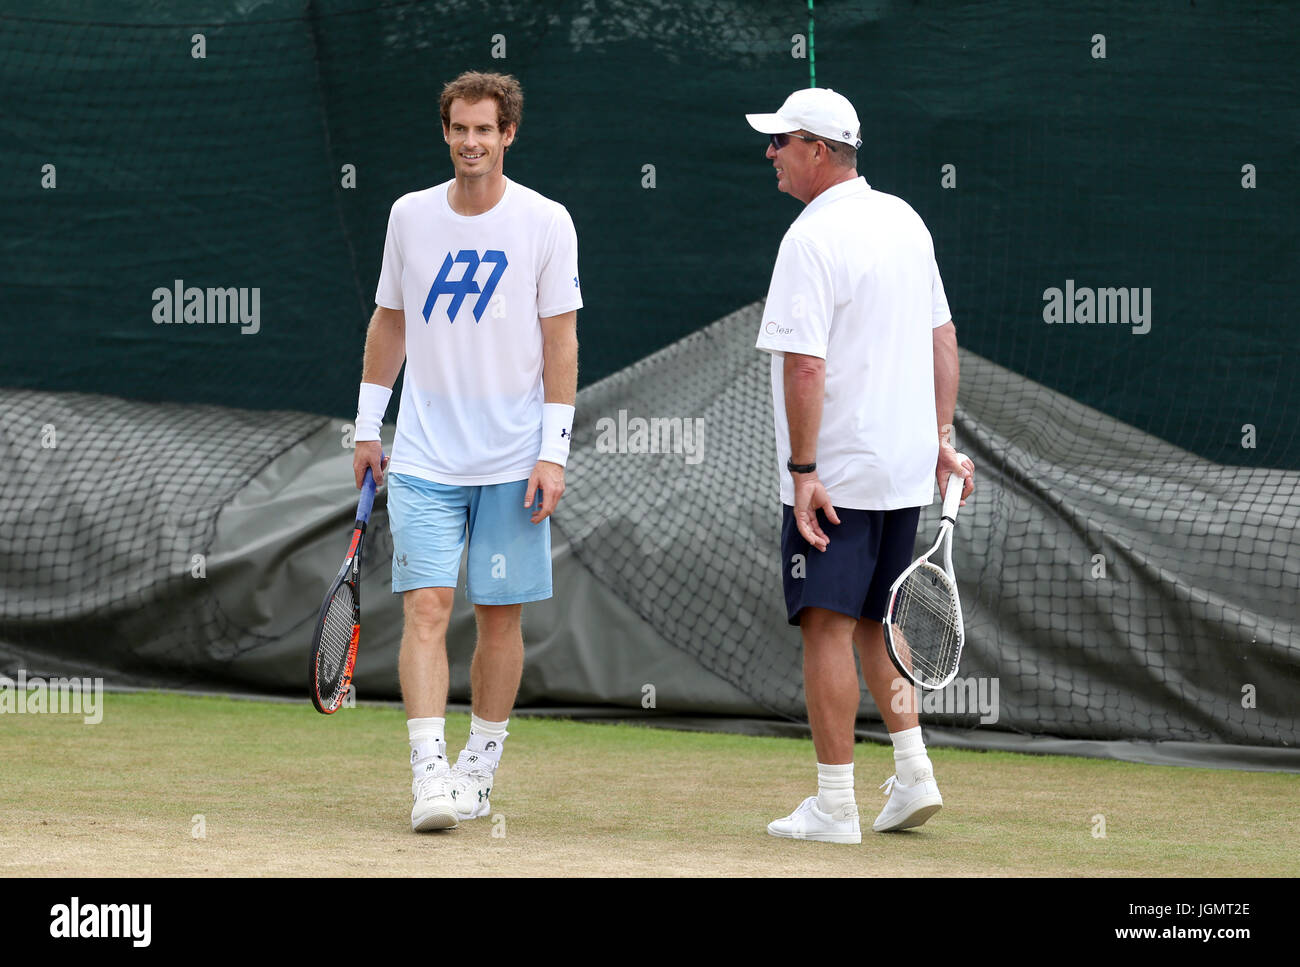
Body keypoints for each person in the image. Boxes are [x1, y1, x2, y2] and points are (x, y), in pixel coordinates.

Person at [352, 71, 581, 832]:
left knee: (499, 619)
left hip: (516, 463)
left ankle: (478, 768)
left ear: (508, 133)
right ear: (445, 132)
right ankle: (428, 774)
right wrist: (366, 426)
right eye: (460, 129)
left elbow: (561, 342)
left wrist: (554, 452)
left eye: (485, 129)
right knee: (425, 608)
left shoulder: (547, 221)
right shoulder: (409, 216)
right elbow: (389, 323)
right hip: (422, 457)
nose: (471, 142)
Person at [746, 88, 974, 843]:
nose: (770, 154)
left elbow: (805, 367)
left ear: (817, 148)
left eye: (781, 141)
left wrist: (804, 469)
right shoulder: (906, 219)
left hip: (837, 474)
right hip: (903, 467)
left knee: (826, 627)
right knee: (879, 622)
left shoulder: (809, 239)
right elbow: (943, 339)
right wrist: (940, 435)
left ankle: (836, 805)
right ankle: (913, 774)